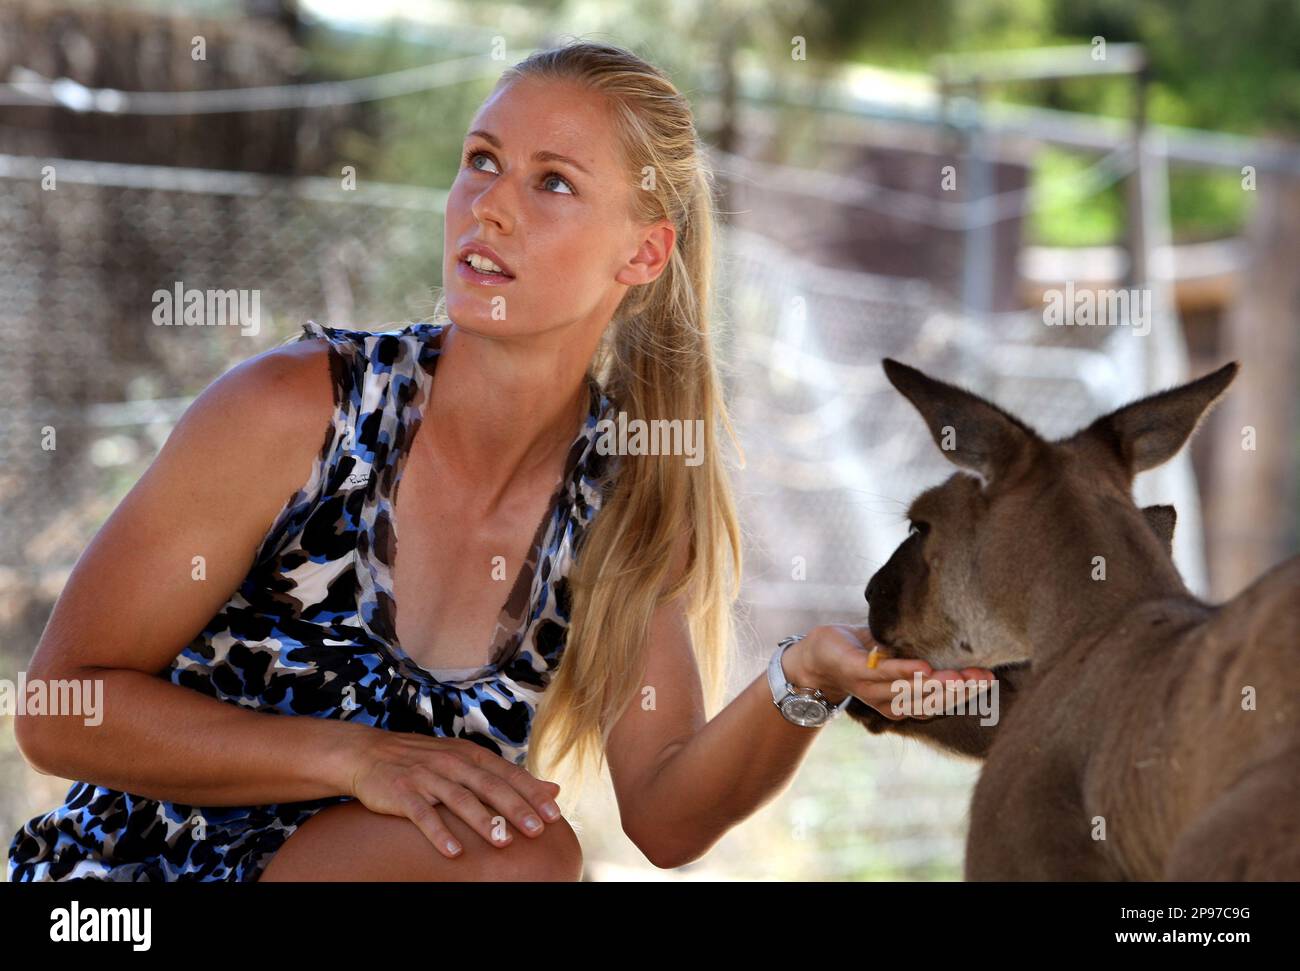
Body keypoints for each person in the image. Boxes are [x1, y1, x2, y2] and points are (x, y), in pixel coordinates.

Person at [8, 40, 992, 882]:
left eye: (552, 181)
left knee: (530, 853)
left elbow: (664, 813)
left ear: (643, 255)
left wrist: (807, 677)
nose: (492, 205)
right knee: (523, 856)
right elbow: (58, 709)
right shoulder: (297, 407)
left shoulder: (623, 499)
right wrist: (355, 756)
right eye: (481, 161)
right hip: (122, 884)